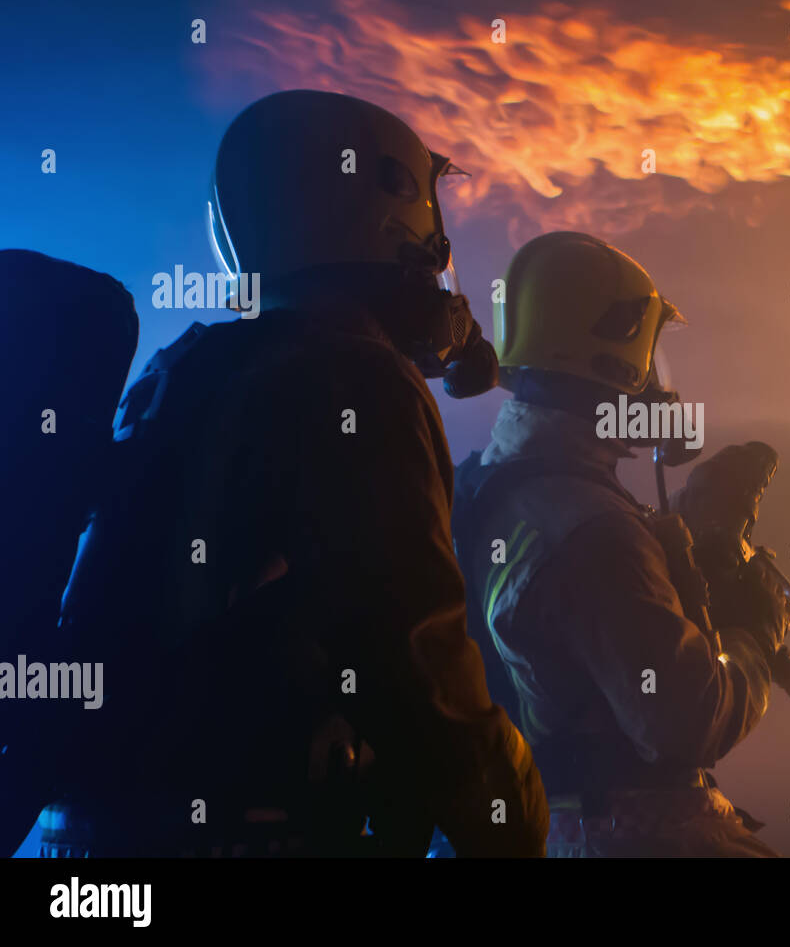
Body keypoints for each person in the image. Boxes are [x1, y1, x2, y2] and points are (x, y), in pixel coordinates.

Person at [50, 90, 547, 857]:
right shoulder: (357, 377)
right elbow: (421, 666)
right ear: (388, 213)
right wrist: (511, 818)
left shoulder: (188, 369)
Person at [453, 231, 790, 856]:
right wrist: (754, 636)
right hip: (625, 835)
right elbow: (683, 722)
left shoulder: (485, 487)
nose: (659, 383)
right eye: (650, 355)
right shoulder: (593, 532)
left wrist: (680, 545)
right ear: (614, 360)